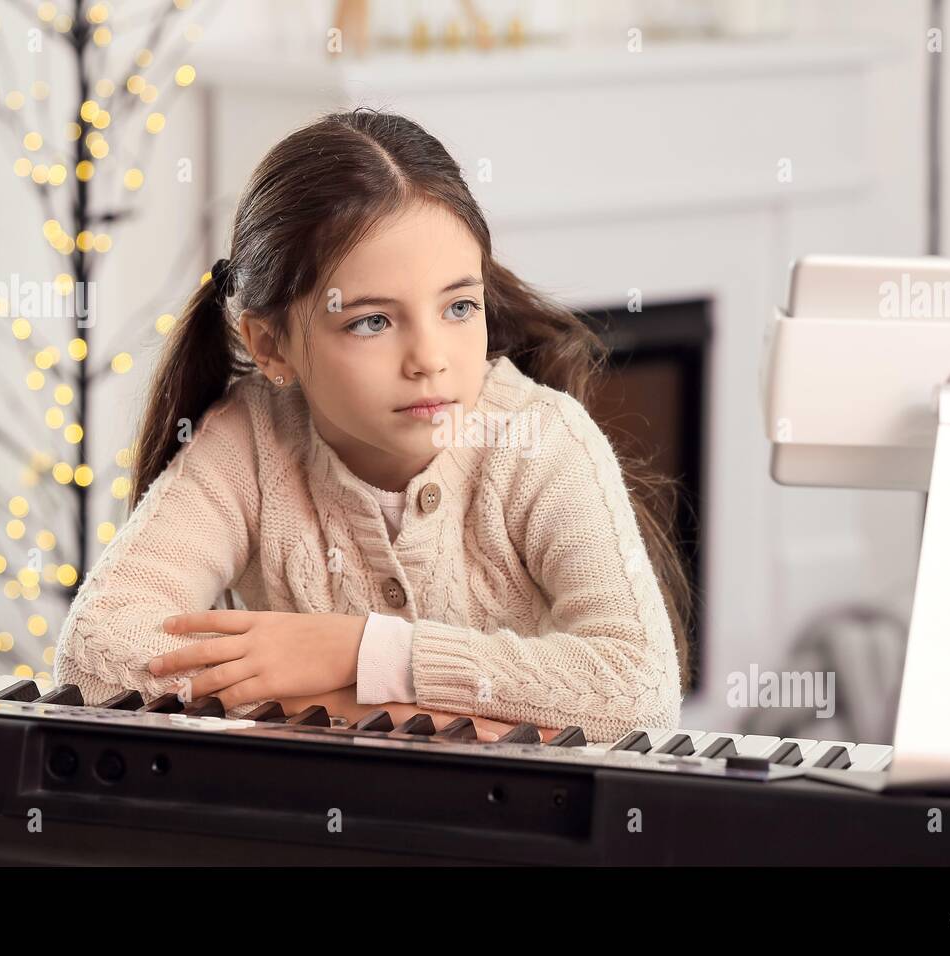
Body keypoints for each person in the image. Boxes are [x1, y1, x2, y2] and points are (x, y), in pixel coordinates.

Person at [53, 108, 692, 743]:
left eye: (459, 307)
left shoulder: (542, 441)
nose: (430, 360)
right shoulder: (248, 443)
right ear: (271, 345)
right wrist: (413, 716)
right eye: (372, 322)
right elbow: (96, 655)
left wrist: (361, 654)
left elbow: (638, 692)